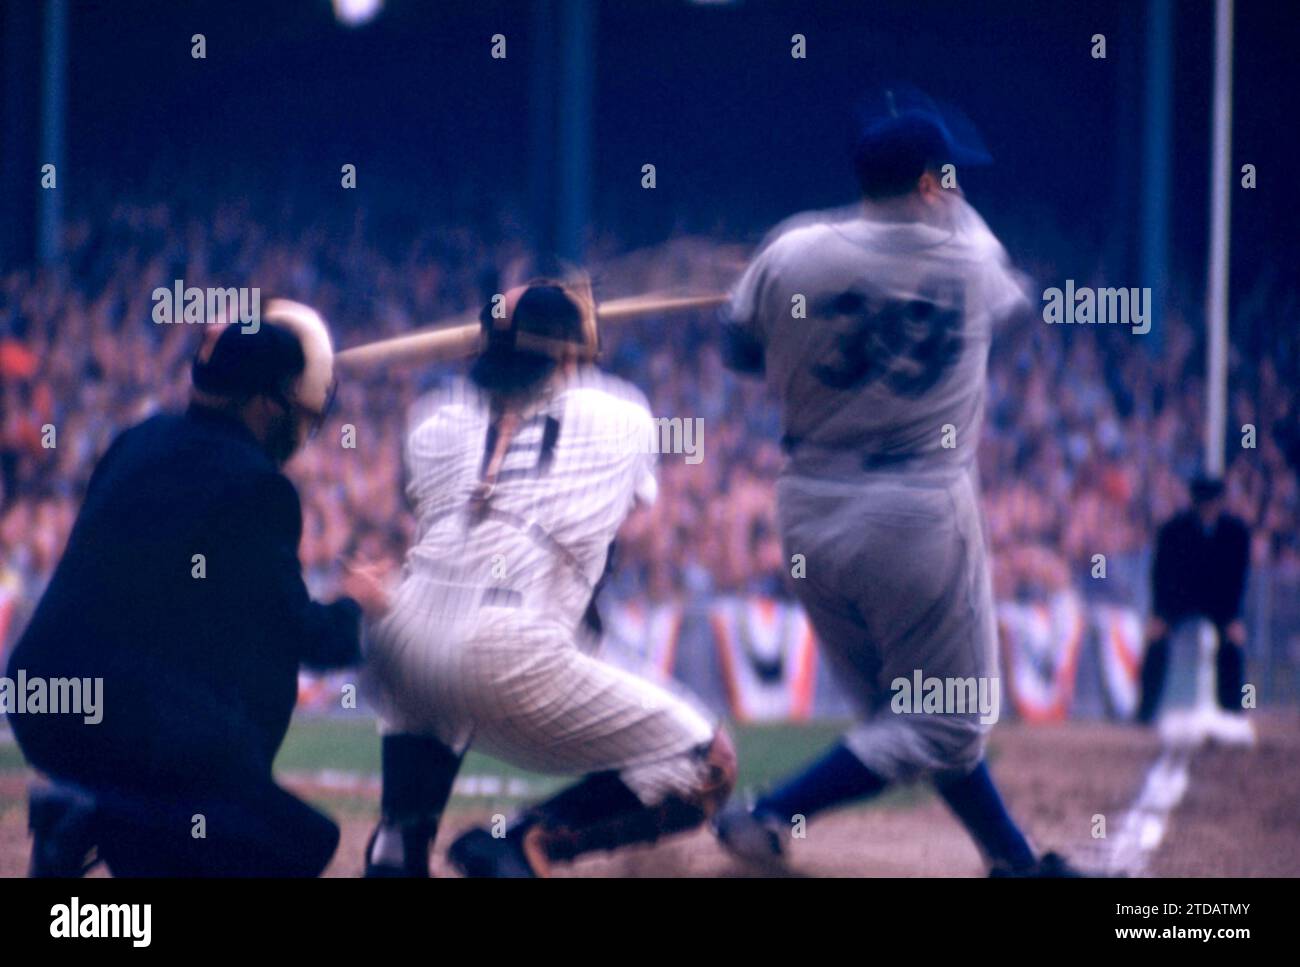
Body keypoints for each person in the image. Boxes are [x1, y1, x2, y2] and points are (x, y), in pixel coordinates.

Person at [712, 88, 1077, 876]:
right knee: (943, 721)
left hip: (809, 510)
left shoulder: (793, 249)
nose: (957, 190)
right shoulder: (970, 250)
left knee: (904, 714)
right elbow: (1005, 305)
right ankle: (773, 812)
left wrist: (765, 298)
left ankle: (1015, 862)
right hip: (916, 511)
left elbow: (738, 353)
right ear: (923, 184)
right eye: (947, 177)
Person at [363, 279, 736, 878]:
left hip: (398, 635)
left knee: (434, 684)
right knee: (706, 762)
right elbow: (624, 526)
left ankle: (398, 845)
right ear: (569, 354)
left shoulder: (432, 418)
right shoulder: (622, 412)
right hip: (507, 650)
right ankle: (519, 842)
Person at [6, 300, 389, 877]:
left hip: (41, 703)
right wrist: (359, 609)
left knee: (171, 848)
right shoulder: (257, 487)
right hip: (130, 727)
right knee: (296, 842)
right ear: (267, 402)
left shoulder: (138, 440)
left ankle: (94, 821)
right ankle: (95, 816)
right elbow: (301, 636)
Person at [1136, 475, 1251, 723]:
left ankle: (1231, 711)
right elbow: (1161, 573)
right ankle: (1145, 712)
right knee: (1156, 641)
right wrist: (1159, 614)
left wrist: (1234, 616)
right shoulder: (1173, 530)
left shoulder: (1236, 533)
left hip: (1220, 602)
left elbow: (1237, 577)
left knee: (1231, 644)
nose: (1208, 506)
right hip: (1179, 598)